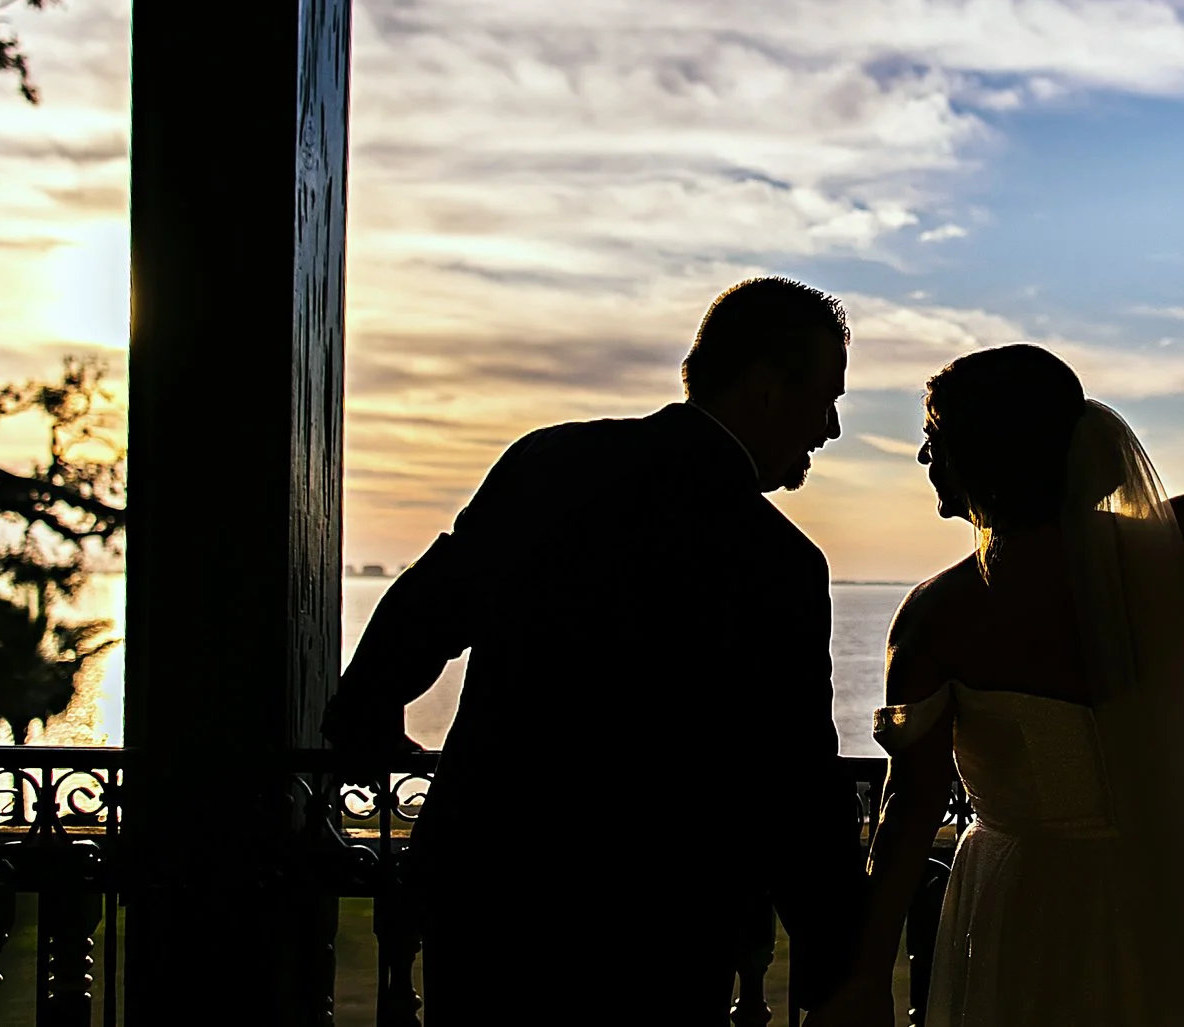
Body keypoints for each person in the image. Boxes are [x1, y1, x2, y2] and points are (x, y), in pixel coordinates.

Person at [814, 293, 1184, 1027]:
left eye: (936, 437)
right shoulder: (1176, 552)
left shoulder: (938, 616)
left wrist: (869, 973)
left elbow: (910, 809)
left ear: (985, 454)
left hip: (1031, 909)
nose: (924, 457)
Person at [324, 277, 865, 1022]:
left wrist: (364, 715)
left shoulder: (549, 462)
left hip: (489, 898)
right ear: (766, 389)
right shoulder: (778, 562)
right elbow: (796, 777)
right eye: (826, 399)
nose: (830, 428)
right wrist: (838, 970)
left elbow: (433, 602)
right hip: (658, 929)